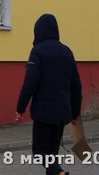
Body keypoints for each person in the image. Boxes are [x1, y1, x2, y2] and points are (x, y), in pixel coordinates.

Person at [15, 13, 82, 175]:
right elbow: (76, 86)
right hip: (63, 112)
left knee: (39, 153)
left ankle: (60, 173)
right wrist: (75, 112)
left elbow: (30, 83)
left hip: (43, 112)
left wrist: (20, 108)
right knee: (52, 154)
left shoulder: (37, 51)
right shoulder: (67, 52)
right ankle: (56, 172)